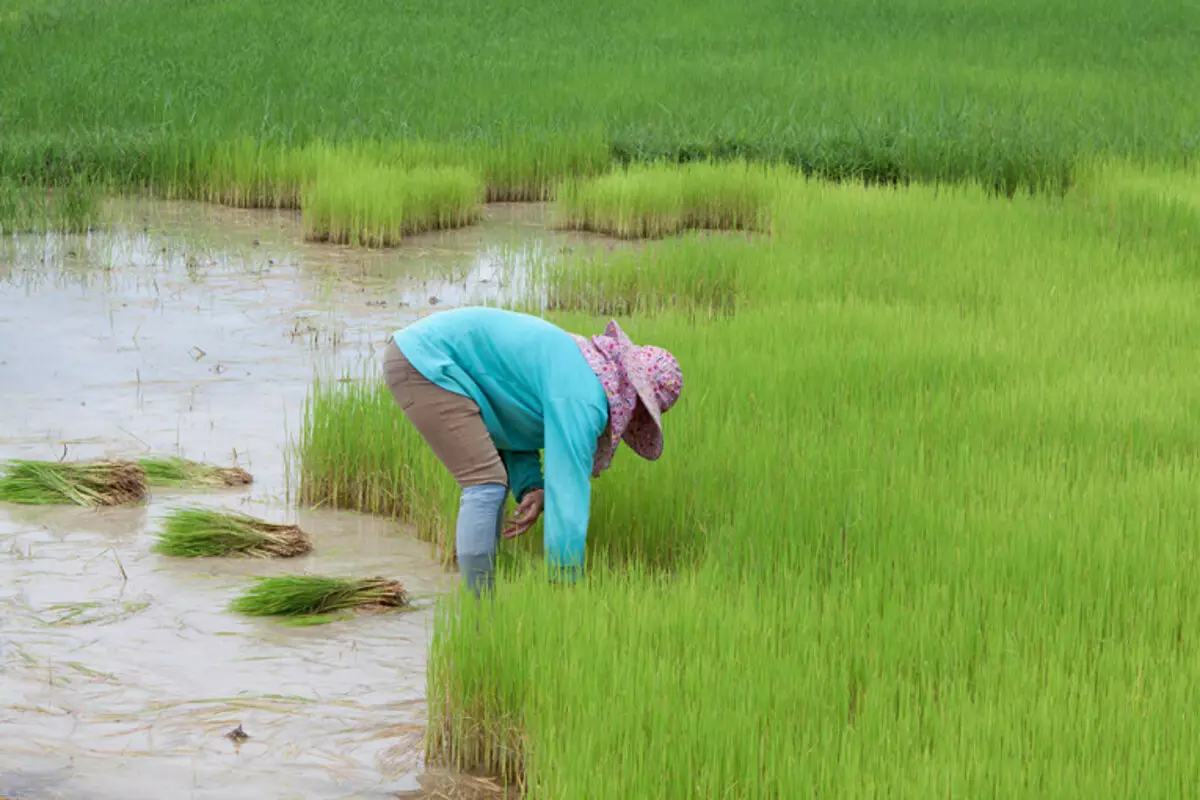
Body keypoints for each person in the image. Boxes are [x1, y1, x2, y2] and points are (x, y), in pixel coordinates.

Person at [382, 306, 683, 593]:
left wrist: (531, 487)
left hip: (420, 354)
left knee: (491, 483)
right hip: (427, 362)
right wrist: (564, 586)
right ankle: (478, 609)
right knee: (485, 484)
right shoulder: (582, 396)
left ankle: (483, 598)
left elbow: (510, 420)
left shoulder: (580, 369)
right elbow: (568, 494)